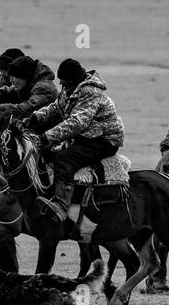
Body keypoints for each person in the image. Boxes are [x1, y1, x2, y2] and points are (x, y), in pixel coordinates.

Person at [26, 58, 125, 222]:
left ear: (75, 80)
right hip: (86, 136)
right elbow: (56, 107)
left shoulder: (90, 93)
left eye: (66, 84)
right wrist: (36, 117)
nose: (63, 87)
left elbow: (77, 123)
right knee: (46, 152)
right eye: (62, 84)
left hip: (104, 139)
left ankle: (61, 204)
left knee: (65, 158)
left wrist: (47, 136)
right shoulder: (71, 89)